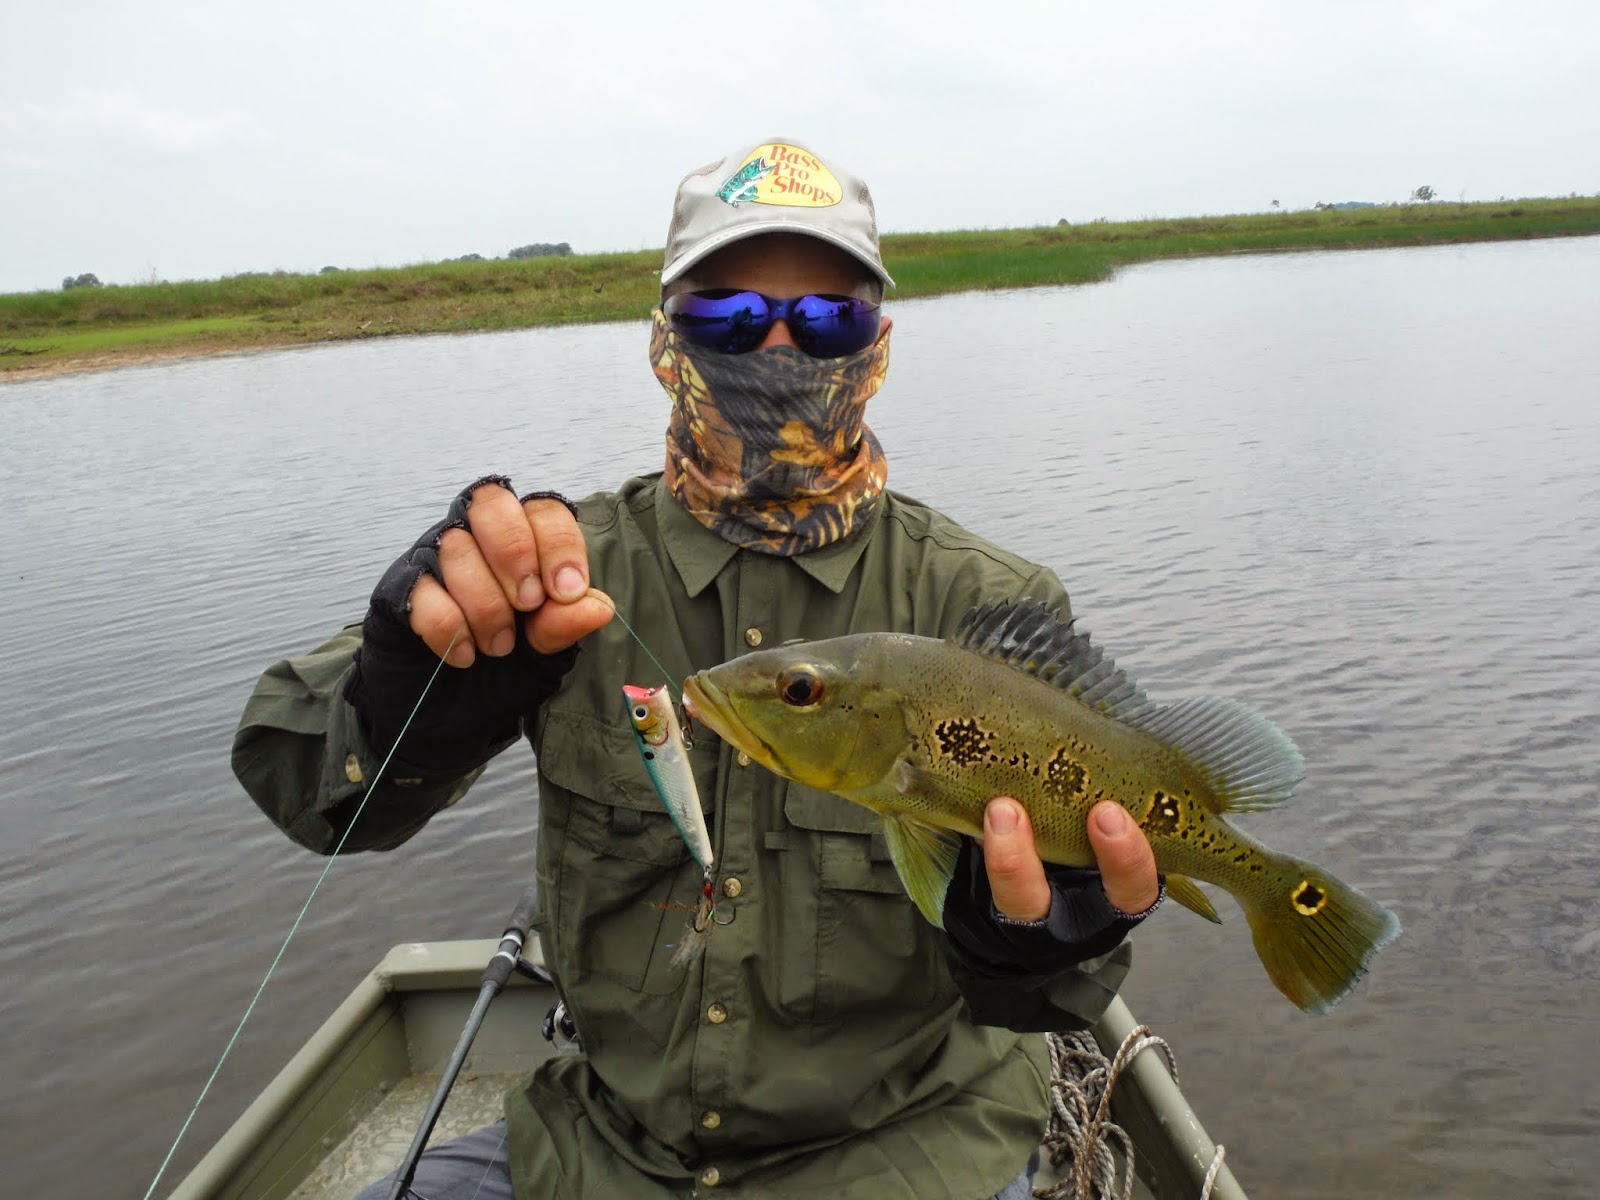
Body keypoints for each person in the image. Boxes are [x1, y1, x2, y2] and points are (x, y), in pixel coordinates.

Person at [234, 137, 1162, 1200]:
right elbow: (300, 787)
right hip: (599, 1151)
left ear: (879, 343)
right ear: (664, 340)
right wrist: (405, 707)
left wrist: (1037, 953)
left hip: (906, 1156)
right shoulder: (550, 574)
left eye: (826, 318)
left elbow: (1058, 990)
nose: (775, 346)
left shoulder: (987, 605)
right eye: (725, 315)